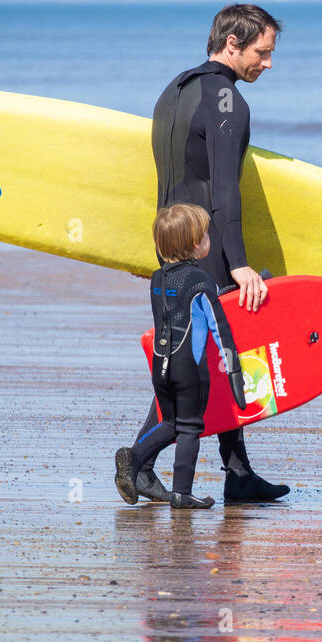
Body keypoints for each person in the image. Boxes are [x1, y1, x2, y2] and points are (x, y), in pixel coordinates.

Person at [129, 3, 289, 503]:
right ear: (233, 44)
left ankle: (236, 471)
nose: (268, 64)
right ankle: (138, 458)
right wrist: (237, 262)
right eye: (261, 53)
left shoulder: (174, 89)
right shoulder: (228, 103)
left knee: (194, 359)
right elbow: (225, 190)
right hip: (209, 247)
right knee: (211, 358)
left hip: (172, 243)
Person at [115, 204, 248, 509]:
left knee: (169, 424)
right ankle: (182, 494)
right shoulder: (201, 282)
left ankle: (133, 458)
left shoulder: (158, 279)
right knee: (190, 428)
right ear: (194, 245)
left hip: (160, 364)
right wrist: (235, 373)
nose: (208, 241)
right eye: (204, 237)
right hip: (189, 367)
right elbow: (219, 329)